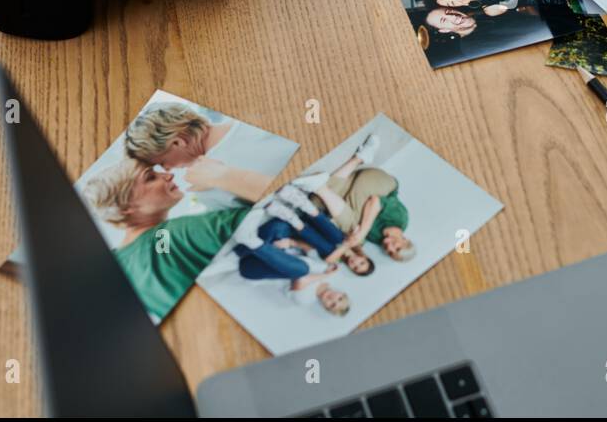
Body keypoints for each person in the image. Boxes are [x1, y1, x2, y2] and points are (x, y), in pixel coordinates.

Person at [85, 158, 252, 319]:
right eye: (150, 177)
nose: (168, 175)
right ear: (125, 207)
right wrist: (223, 177)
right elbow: (263, 215)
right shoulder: (172, 234)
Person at [125, 101, 272, 203]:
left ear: (178, 142)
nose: (167, 170)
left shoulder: (209, 188)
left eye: (162, 163)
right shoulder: (256, 119)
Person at [302, 133, 416, 262]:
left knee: (317, 202)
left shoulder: (376, 239)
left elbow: (347, 244)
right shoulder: (401, 219)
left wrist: (352, 238)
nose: (389, 248)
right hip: (380, 184)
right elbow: (375, 201)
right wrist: (362, 231)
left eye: (390, 253)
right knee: (355, 228)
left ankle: (359, 159)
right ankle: (322, 187)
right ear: (405, 241)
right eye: (397, 249)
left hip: (353, 189)